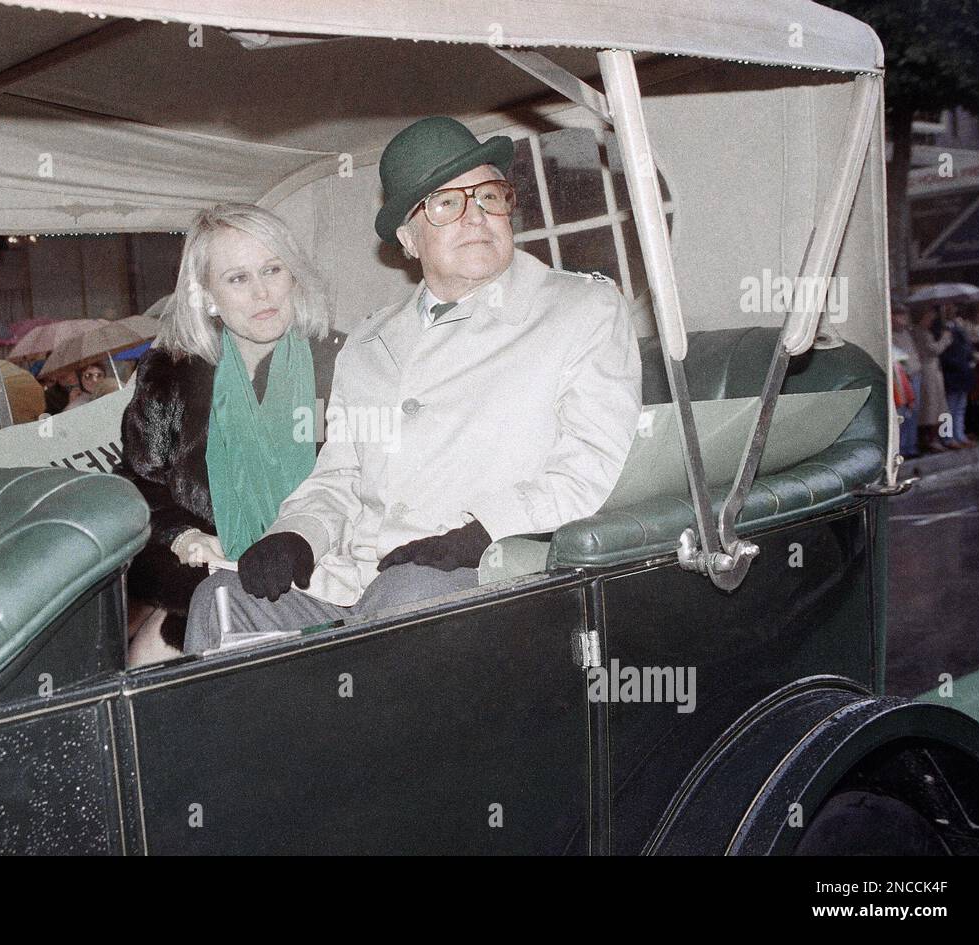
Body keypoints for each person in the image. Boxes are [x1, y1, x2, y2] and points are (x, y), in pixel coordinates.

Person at [183, 116, 642, 653]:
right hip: (358, 580)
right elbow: (342, 474)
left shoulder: (579, 310)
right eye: (447, 203)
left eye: (489, 196)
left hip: (499, 576)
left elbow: (595, 464)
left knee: (404, 600)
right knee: (223, 598)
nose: (476, 216)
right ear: (407, 238)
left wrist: (484, 531)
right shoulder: (371, 339)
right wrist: (297, 535)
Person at [118, 203, 344, 651]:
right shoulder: (170, 375)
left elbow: (366, 484)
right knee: (147, 666)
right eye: (238, 278)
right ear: (206, 295)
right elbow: (134, 485)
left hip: (332, 586)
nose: (262, 293)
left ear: (294, 275)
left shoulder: (342, 362)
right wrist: (182, 535)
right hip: (206, 586)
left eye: (272, 269)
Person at [911, 306, 951, 453]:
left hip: (934, 370)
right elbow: (934, 349)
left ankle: (938, 437)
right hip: (928, 372)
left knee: (938, 405)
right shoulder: (920, 332)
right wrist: (945, 338)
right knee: (931, 406)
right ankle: (930, 439)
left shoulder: (923, 332)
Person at [938, 303, 975, 448]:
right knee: (948, 408)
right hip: (951, 372)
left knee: (960, 407)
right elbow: (945, 353)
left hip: (962, 371)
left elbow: (966, 347)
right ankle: (947, 437)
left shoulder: (959, 327)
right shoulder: (943, 330)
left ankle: (959, 435)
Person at [890, 301, 921, 457]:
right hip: (904, 377)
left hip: (915, 374)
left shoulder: (907, 333)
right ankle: (901, 448)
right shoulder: (891, 335)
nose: (904, 319)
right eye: (901, 316)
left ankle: (911, 445)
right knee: (903, 412)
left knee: (913, 411)